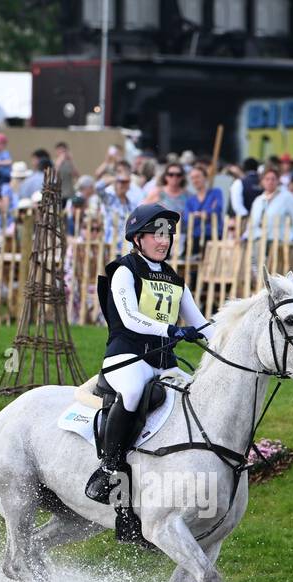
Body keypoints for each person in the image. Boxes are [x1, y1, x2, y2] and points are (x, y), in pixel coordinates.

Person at [84, 203, 212, 539]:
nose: (164, 239)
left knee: (197, 396)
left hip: (164, 363)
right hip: (127, 359)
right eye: (157, 233)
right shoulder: (124, 271)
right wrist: (170, 331)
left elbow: (199, 322)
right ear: (137, 238)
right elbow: (129, 318)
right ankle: (109, 468)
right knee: (134, 392)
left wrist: (228, 344)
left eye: (167, 233)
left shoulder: (173, 278)